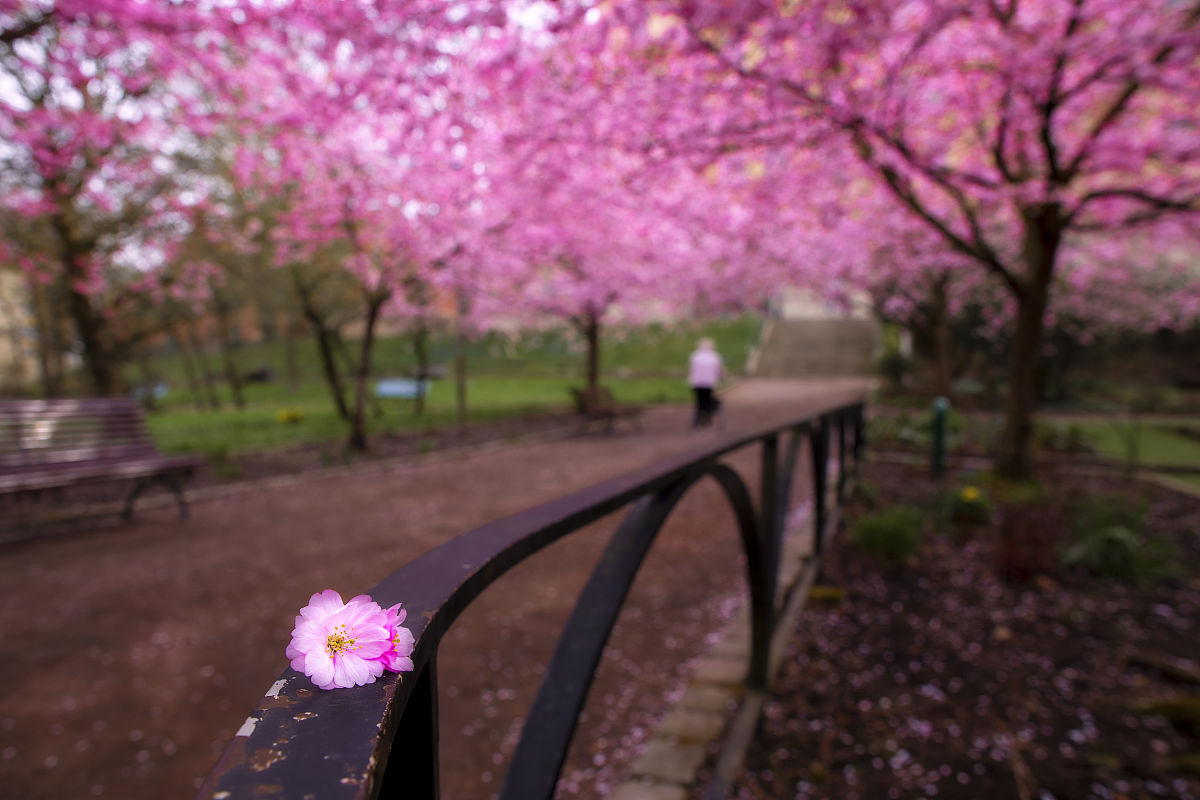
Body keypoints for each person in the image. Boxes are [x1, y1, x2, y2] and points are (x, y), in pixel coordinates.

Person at [688, 337, 724, 427]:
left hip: (696, 383)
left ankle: (699, 418)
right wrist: (721, 378)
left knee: (700, 400)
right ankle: (707, 417)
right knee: (707, 399)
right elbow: (719, 371)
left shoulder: (695, 356)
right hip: (709, 383)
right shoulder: (715, 356)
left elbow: (691, 370)